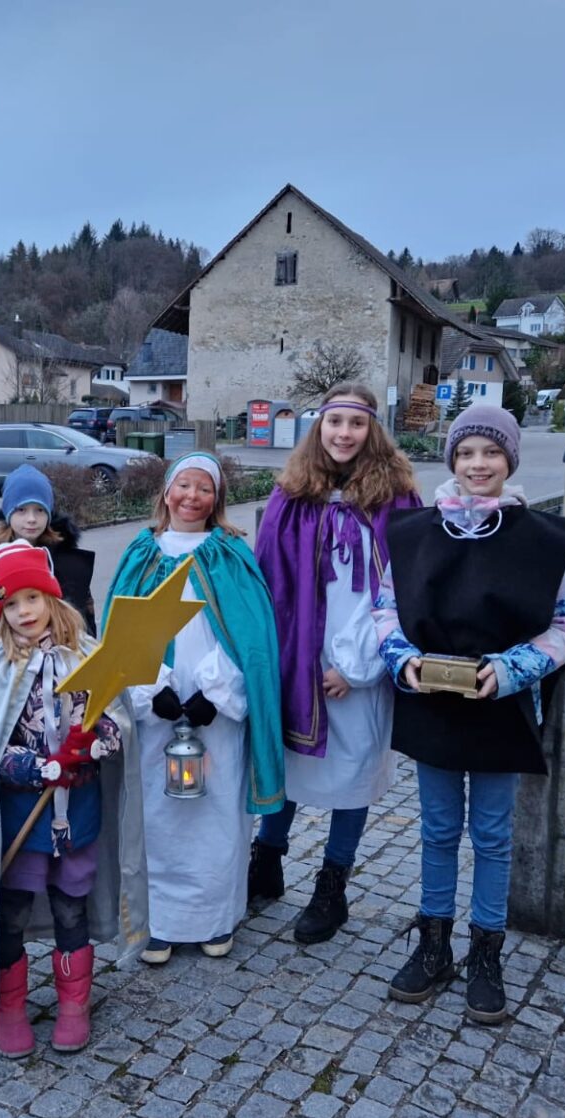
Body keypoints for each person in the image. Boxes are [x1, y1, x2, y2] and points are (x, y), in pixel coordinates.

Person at [372, 405, 565, 1024]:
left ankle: (485, 953)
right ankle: (433, 944)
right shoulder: (413, 533)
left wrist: (512, 668)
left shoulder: (543, 541)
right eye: (466, 453)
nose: (477, 465)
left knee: (491, 838)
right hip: (432, 703)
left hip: (502, 705)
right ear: (453, 460)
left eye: (490, 453)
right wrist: (401, 657)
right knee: (437, 831)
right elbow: (385, 608)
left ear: (509, 460)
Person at [0, 540, 146, 1058]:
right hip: (20, 819)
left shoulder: (88, 655)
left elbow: (120, 722)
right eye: (11, 603)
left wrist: (93, 742)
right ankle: (9, 1007)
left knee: (71, 908)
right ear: (0, 611)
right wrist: (39, 765)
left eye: (33, 597)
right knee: (12, 910)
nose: (24, 611)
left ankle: (74, 1004)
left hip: (78, 819)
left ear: (52, 597)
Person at [251, 384, 422, 944]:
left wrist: (360, 667)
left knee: (352, 774)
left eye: (355, 423)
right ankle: (267, 859)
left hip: (364, 665)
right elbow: (268, 584)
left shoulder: (397, 499)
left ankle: (332, 885)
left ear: (372, 429)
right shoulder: (291, 494)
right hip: (300, 657)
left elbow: (407, 590)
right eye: (334, 422)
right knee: (291, 763)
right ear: (318, 428)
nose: (344, 433)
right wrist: (287, 661)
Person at [105, 452, 284, 964]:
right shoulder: (142, 553)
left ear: (217, 499)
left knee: (216, 811)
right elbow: (118, 633)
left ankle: (213, 919)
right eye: (182, 485)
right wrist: (147, 688)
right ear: (165, 492)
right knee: (155, 813)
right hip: (153, 709)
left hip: (215, 716)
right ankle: (155, 922)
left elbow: (252, 640)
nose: (191, 496)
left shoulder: (230, 554)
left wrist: (219, 693)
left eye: (203, 488)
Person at [0, 464, 96, 731]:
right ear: (7, 512)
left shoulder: (68, 564)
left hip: (57, 686)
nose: (31, 519)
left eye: (40, 510)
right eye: (22, 509)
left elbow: (85, 625)